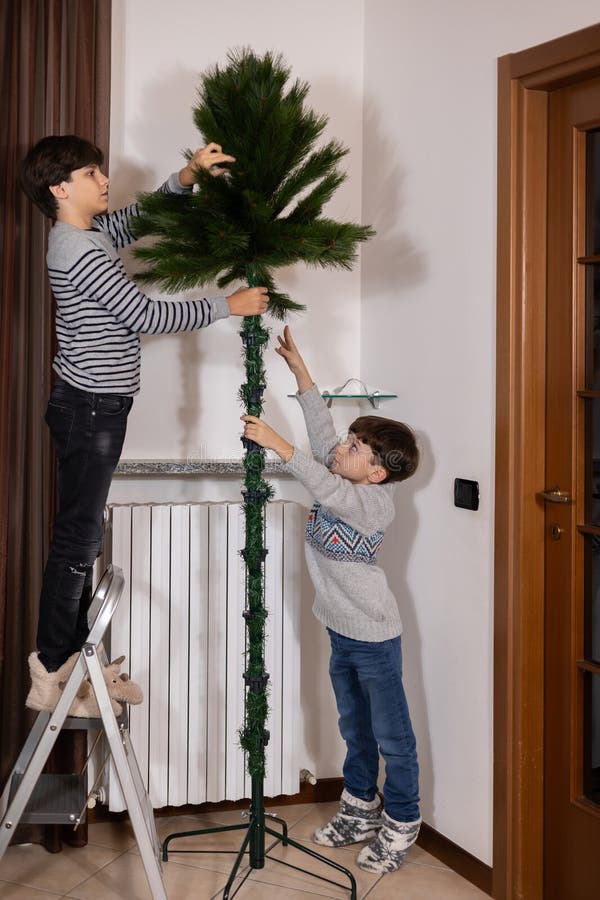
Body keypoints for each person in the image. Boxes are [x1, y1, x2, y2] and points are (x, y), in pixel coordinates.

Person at [20, 134, 269, 716]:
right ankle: (51, 671)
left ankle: (74, 668)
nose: (104, 180)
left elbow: (132, 221)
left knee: (82, 537)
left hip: (99, 404)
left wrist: (184, 178)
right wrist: (226, 306)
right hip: (90, 408)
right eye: (90, 174)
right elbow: (143, 314)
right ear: (60, 189)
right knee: (77, 541)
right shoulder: (74, 249)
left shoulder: (90, 232)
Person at [241, 325, 420, 874]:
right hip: (340, 630)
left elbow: (324, 484)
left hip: (374, 636)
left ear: (376, 472)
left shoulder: (373, 505)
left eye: (354, 448)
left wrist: (278, 445)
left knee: (393, 737)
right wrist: (302, 374)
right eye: (347, 442)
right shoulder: (345, 470)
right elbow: (322, 442)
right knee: (354, 727)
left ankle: (403, 822)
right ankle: (360, 807)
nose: (340, 449)